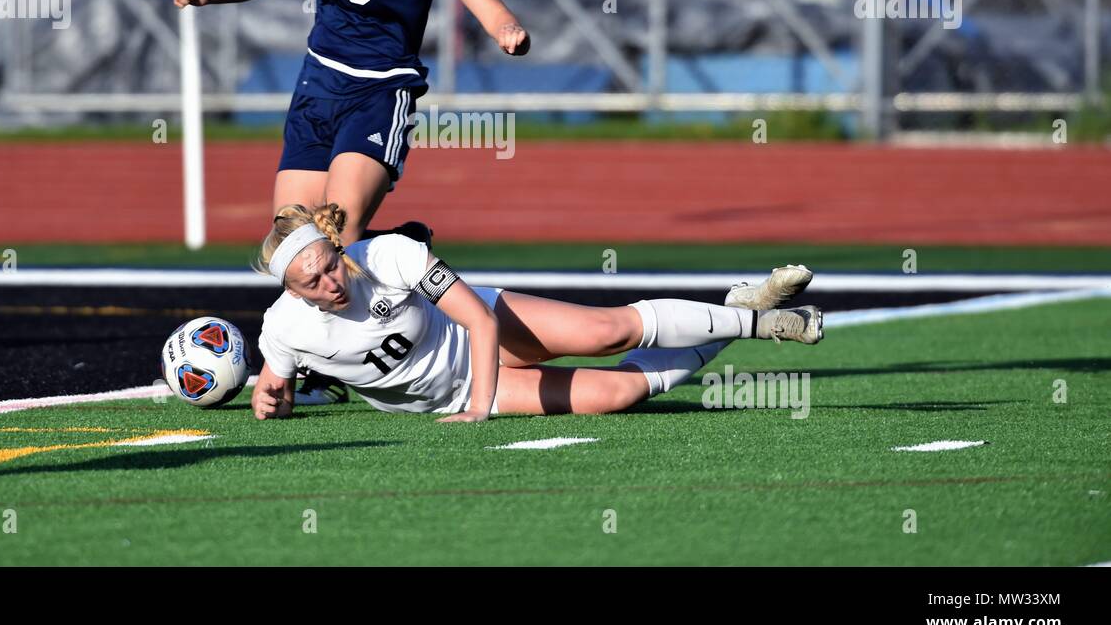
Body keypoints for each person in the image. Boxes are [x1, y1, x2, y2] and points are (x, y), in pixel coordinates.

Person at [174, 0, 531, 405]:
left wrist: (508, 31)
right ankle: (384, 264)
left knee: (336, 227)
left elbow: (486, 5)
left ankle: (323, 364)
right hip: (316, 87)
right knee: (293, 238)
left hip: (380, 93)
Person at [249, 204, 821, 421]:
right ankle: (734, 310)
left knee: (608, 332)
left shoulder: (389, 254)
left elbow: (479, 320)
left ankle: (761, 320)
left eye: (331, 263)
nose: (331, 281)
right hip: (458, 393)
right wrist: (268, 399)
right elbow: (273, 388)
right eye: (314, 282)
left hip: (485, 337)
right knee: (618, 397)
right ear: (291, 291)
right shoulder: (283, 326)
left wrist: (477, 411)